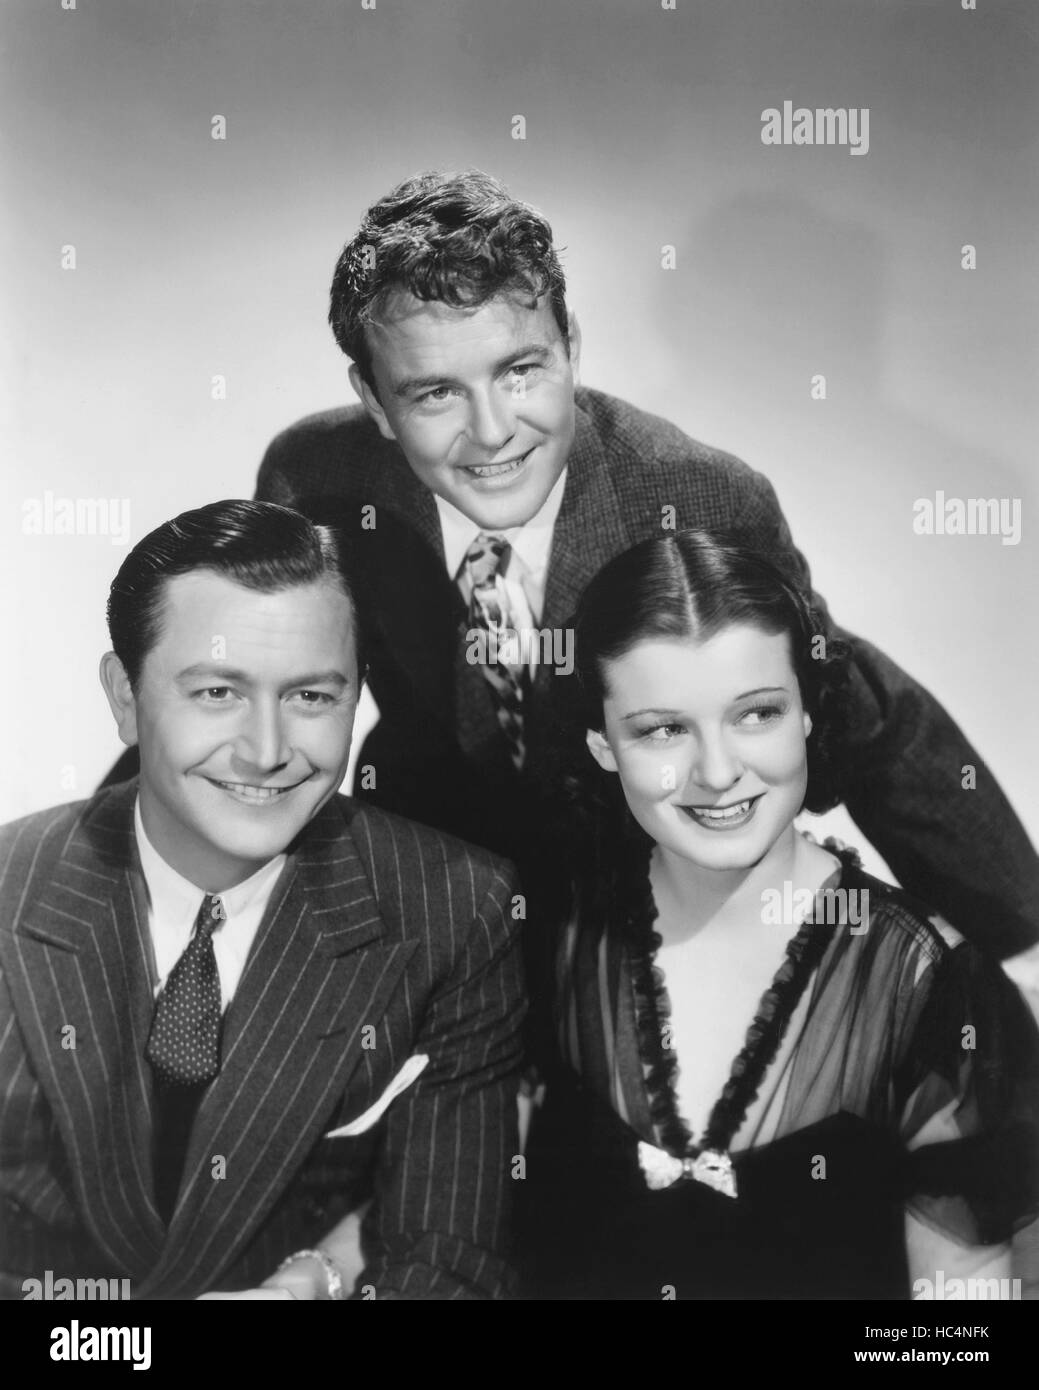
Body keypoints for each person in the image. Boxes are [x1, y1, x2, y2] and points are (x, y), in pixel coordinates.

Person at [247, 168, 1038, 959]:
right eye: (433, 395)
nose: (491, 433)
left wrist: (1019, 940)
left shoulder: (697, 497)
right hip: (430, 878)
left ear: (572, 349)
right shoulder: (317, 481)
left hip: (645, 899)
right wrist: (137, 866)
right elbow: (254, 691)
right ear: (375, 401)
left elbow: (848, 709)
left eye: (520, 371)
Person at [0, 500, 524, 1301]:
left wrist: (312, 1282)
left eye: (312, 698)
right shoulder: (12, 888)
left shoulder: (457, 910)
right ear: (123, 697)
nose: (269, 752)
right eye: (216, 692)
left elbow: (450, 1261)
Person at [517, 530, 1039, 1300]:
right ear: (602, 742)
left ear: (806, 715)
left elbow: (959, 1339)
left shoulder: (931, 986)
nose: (719, 772)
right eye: (662, 729)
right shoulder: (544, 938)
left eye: (755, 714)